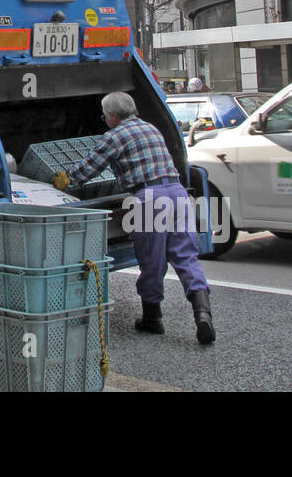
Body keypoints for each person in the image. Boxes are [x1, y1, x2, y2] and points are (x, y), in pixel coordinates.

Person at [52, 92, 215, 344]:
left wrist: (66, 180)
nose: (105, 120)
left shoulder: (115, 135)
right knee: (185, 256)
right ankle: (203, 314)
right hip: (177, 193)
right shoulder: (151, 128)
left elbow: (90, 168)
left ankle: (152, 318)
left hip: (149, 198)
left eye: (105, 116)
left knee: (152, 260)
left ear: (113, 116)